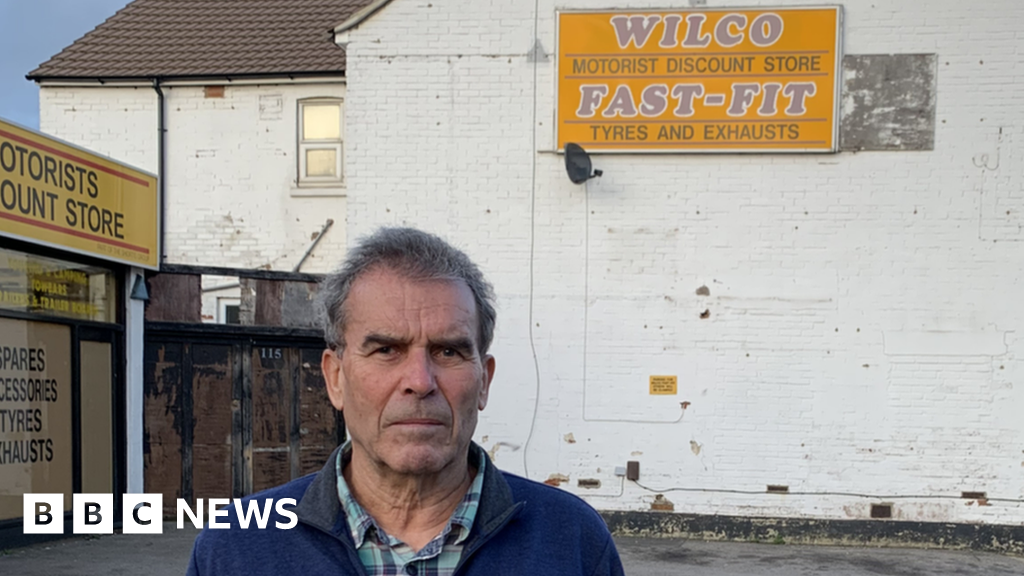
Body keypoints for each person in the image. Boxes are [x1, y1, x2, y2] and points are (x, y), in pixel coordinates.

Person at [187, 227, 624, 575]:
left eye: (448, 351)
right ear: (335, 378)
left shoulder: (572, 541)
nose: (419, 381)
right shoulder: (236, 546)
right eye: (386, 350)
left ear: (484, 382)